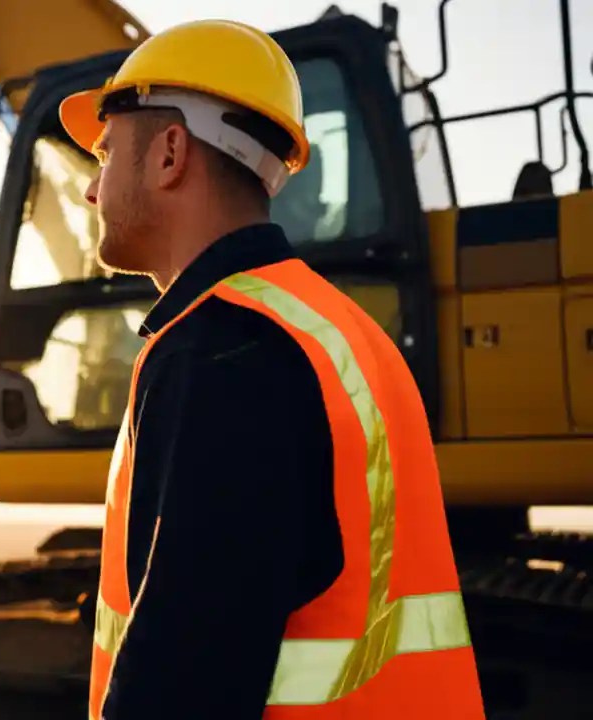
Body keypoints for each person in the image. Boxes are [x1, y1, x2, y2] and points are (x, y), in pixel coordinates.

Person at [57, 18, 486, 720]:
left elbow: (185, 683)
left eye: (106, 154)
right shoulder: (335, 330)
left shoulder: (225, 350)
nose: (90, 191)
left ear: (169, 154)